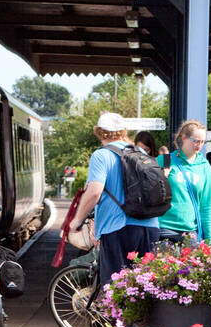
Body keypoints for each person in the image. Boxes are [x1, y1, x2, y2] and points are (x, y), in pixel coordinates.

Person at [67, 112, 161, 289]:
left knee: (116, 287)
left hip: (118, 227)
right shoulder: (141, 152)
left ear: (99, 132)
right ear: (123, 131)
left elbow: (94, 193)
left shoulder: (101, 155)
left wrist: (76, 221)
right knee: (145, 287)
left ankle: (116, 309)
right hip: (149, 225)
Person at [156, 119, 211, 245]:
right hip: (164, 228)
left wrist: (210, 242)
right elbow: (150, 193)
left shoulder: (204, 166)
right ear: (184, 138)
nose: (199, 145)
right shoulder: (164, 160)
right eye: (195, 141)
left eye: (202, 141)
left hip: (191, 232)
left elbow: (207, 206)